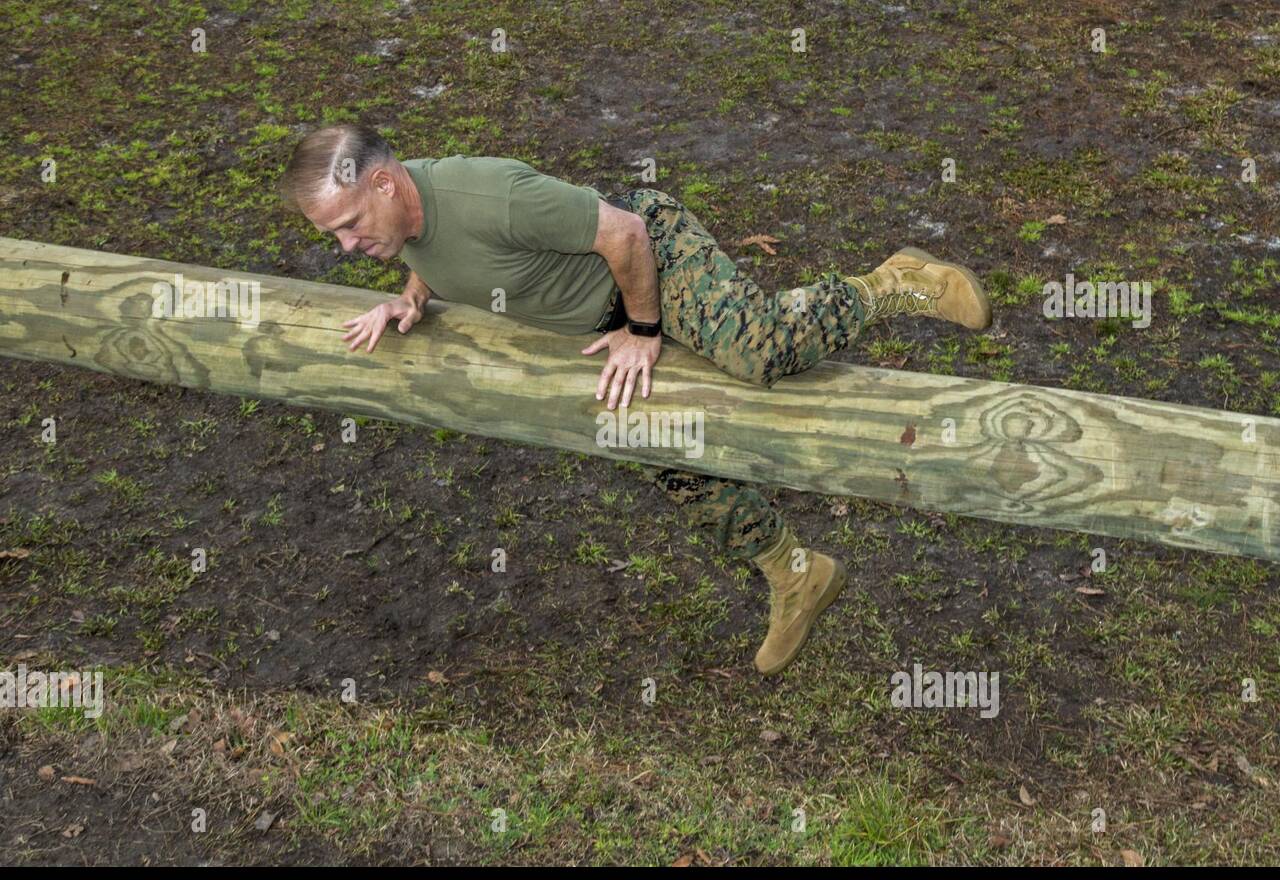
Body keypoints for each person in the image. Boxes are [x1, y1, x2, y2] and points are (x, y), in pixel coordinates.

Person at [278, 124, 991, 676]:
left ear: (384, 184)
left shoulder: (488, 194)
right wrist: (409, 301)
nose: (345, 246)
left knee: (758, 349)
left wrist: (643, 329)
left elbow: (624, 232)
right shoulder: (400, 223)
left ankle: (897, 281)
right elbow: (436, 256)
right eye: (332, 234)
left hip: (653, 257)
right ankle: (795, 573)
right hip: (597, 319)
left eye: (348, 225)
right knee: (658, 442)